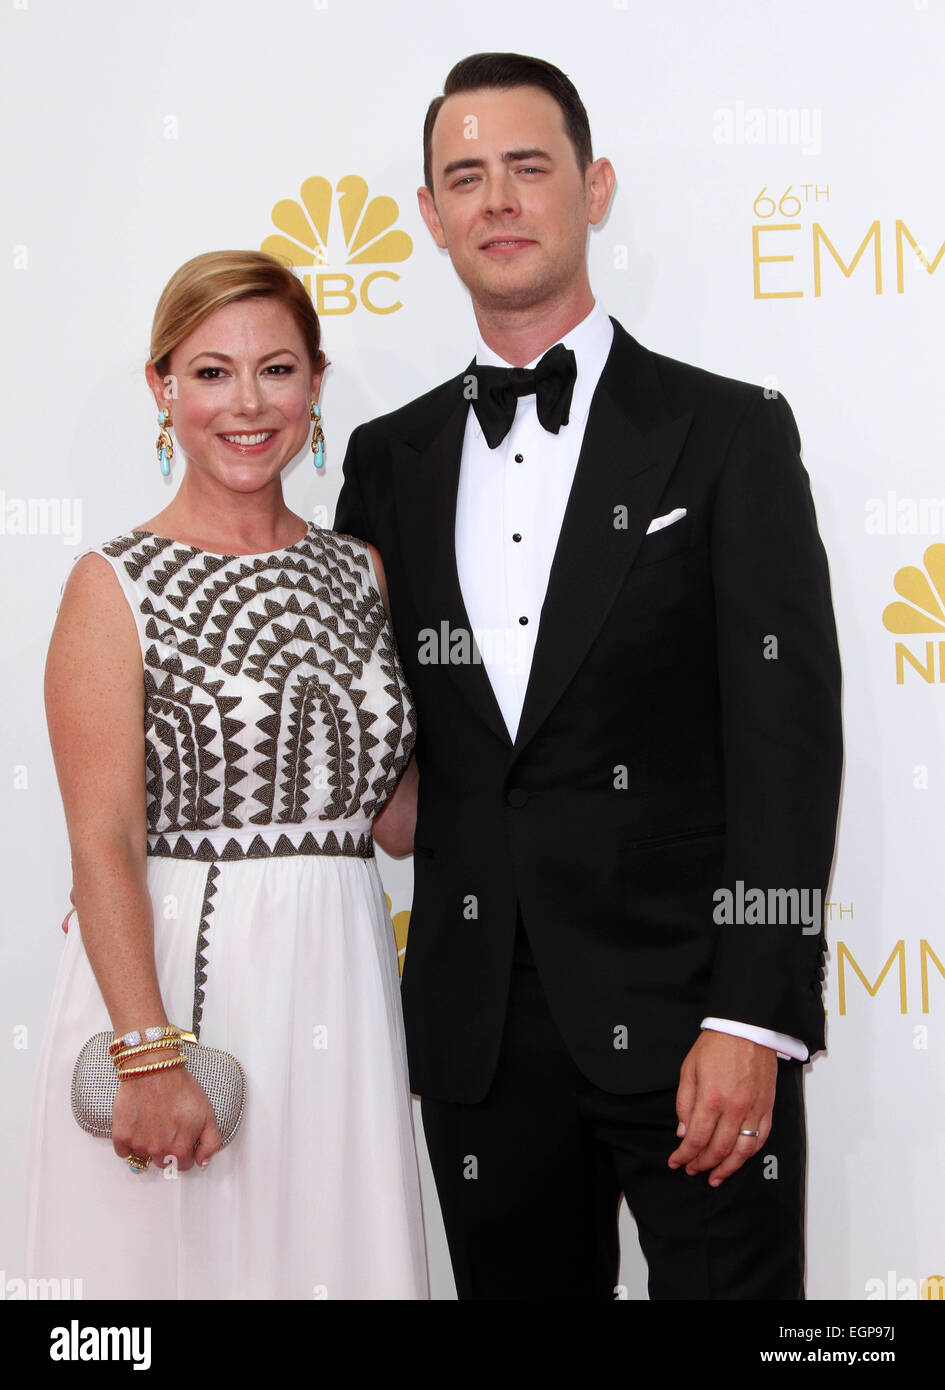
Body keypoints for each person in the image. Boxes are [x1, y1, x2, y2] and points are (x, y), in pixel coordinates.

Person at [334, 53, 843, 1300]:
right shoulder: (385, 459)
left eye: (527, 167)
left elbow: (788, 742)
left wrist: (755, 1017)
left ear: (593, 186)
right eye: (466, 176)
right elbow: (370, 726)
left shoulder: (728, 432)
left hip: (693, 1026)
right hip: (479, 1036)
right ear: (430, 214)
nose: (497, 198)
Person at [27, 250, 428, 1300]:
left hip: (339, 972)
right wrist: (149, 1056)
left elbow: (396, 820)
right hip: (181, 988)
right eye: (210, 372)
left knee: (332, 1259)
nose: (246, 404)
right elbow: (100, 842)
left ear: (315, 386)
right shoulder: (112, 583)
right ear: (162, 388)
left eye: (276, 370)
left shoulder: (361, 570)